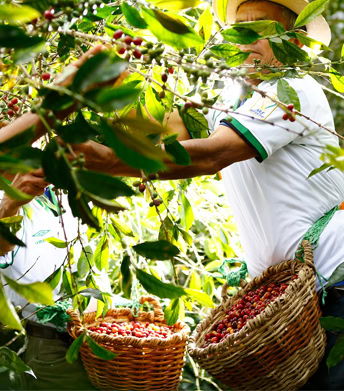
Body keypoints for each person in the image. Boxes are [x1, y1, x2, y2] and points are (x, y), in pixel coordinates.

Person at [0, 0, 343, 389]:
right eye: (239, 29)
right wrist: (111, 88)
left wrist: (109, 160)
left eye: (261, 28)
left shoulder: (293, 90)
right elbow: (163, 128)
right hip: (292, 296)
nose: (245, 39)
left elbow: (212, 155)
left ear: (295, 42)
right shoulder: (234, 104)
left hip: (334, 279)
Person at [0, 170, 101, 390]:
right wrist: (9, 205)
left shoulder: (58, 190)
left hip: (95, 337)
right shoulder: (6, 199)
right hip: (54, 347)